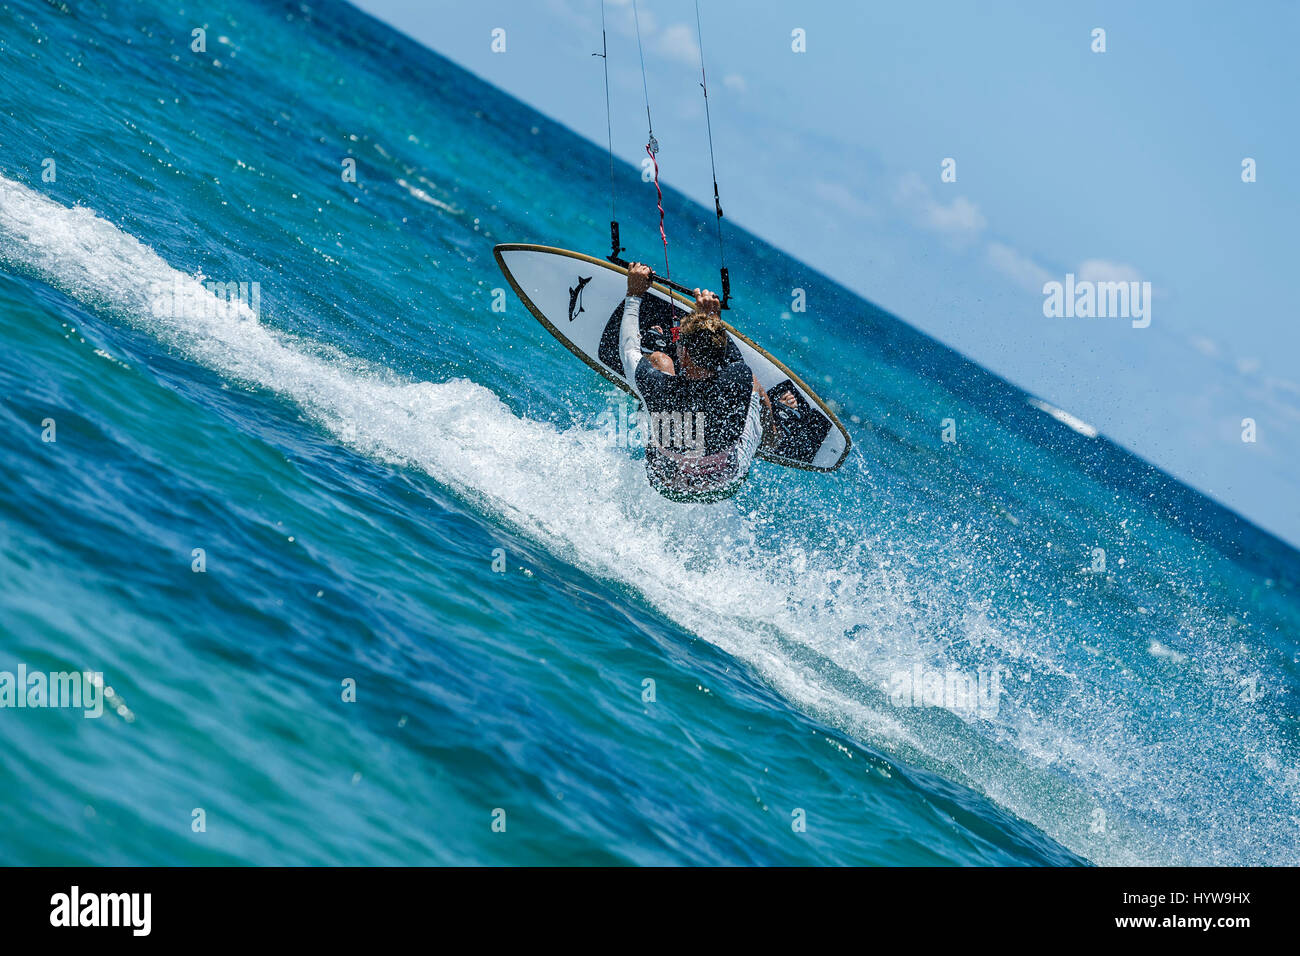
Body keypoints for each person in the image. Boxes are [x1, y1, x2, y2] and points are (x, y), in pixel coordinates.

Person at [619, 262, 780, 501]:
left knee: (658, 361)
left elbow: (628, 349)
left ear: (682, 355)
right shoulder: (737, 380)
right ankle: (771, 439)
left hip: (664, 482)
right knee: (754, 385)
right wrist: (711, 317)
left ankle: (658, 355)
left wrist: (634, 294)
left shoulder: (657, 386)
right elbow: (730, 356)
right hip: (723, 486)